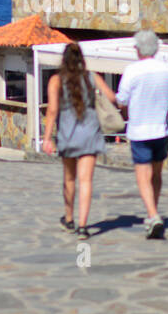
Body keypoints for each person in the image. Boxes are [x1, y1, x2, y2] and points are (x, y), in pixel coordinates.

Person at [40, 42, 117, 241]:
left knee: (69, 179)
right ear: (81, 59)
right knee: (86, 181)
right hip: (90, 132)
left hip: (68, 133)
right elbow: (112, 97)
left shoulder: (56, 80)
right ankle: (83, 226)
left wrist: (47, 138)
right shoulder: (92, 77)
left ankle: (69, 218)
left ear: (64, 60)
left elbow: (53, 110)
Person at [116, 30, 168, 239]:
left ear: (138, 49)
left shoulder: (132, 71)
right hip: (162, 129)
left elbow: (122, 100)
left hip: (139, 130)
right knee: (157, 174)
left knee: (143, 176)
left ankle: (152, 214)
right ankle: (153, 211)